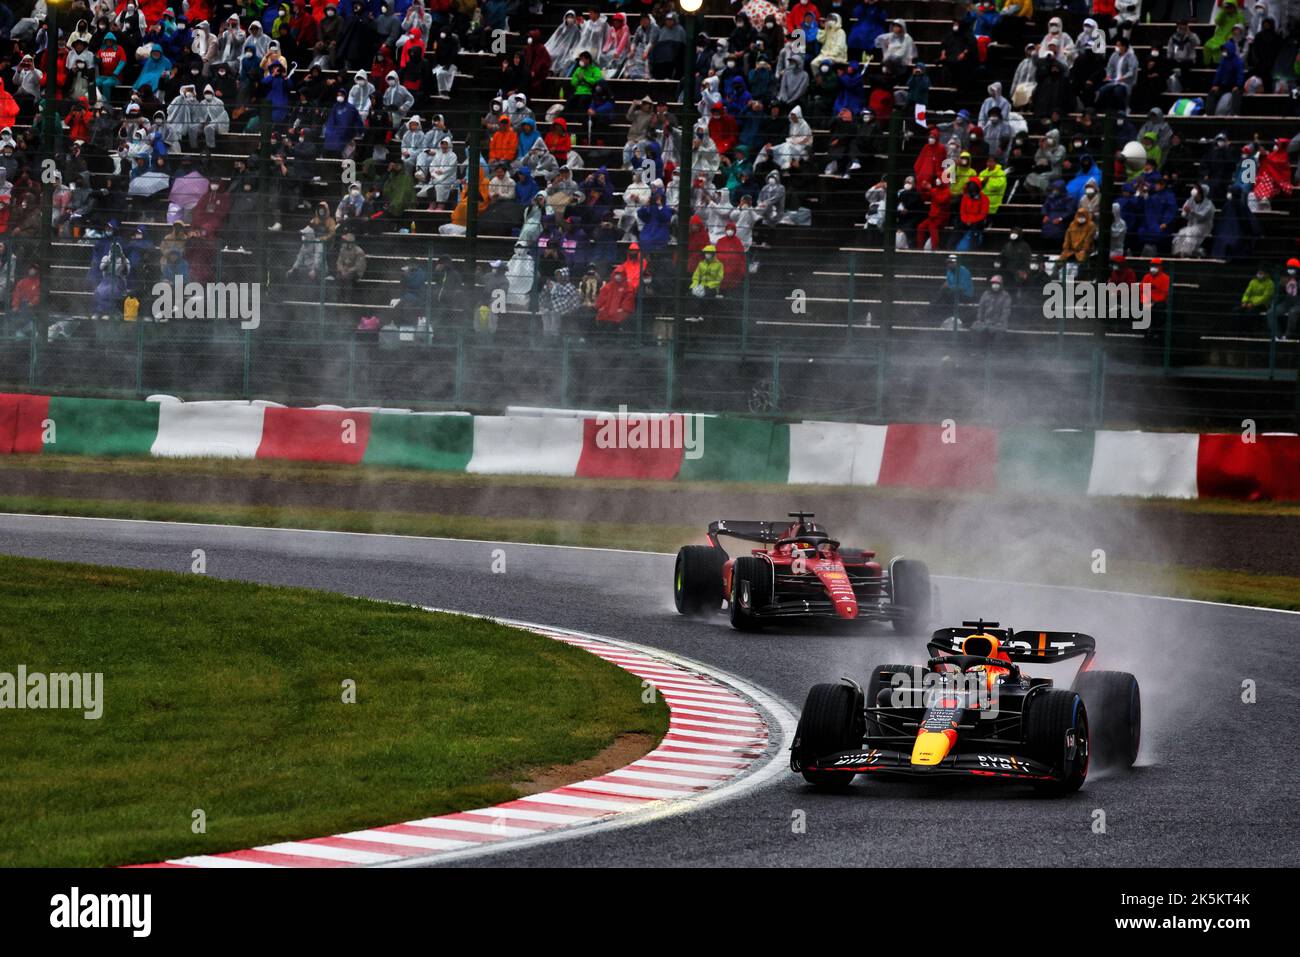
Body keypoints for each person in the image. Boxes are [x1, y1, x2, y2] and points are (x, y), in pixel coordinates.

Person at [972, 274, 1011, 341]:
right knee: (975, 329)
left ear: (1001, 285)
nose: (995, 286)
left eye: (997, 284)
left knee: (998, 334)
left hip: (999, 323)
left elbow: (1006, 311)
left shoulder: (1005, 296)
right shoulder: (986, 294)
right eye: (993, 284)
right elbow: (981, 308)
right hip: (985, 321)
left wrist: (1001, 322)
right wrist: (980, 319)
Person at [1277, 260, 1300, 341]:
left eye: (1293, 268)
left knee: (1293, 312)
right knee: (1271, 312)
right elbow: (1279, 293)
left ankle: (1288, 335)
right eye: (1289, 267)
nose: (1291, 269)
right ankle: (1277, 335)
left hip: (1298, 302)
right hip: (1287, 302)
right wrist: (1281, 284)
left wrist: (1297, 283)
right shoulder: (1285, 277)